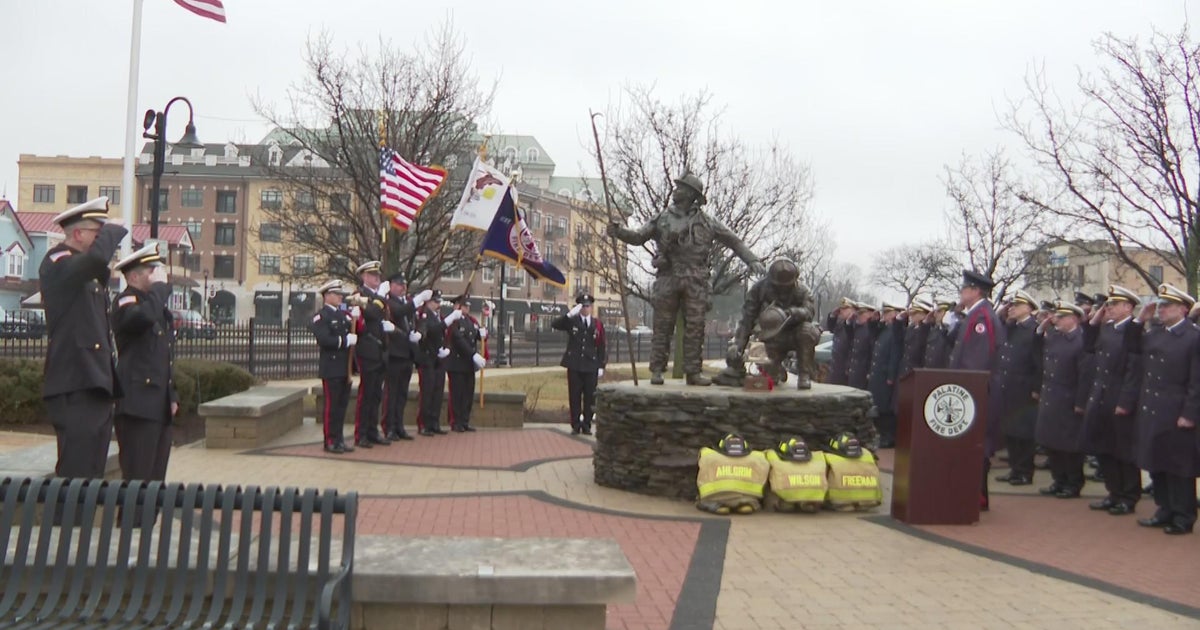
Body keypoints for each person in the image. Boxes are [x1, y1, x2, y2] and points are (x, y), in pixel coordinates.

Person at [607, 172, 765, 386]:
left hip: (696, 279)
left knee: (695, 327)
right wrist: (619, 232)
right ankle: (657, 370)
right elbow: (638, 237)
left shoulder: (708, 222)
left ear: (691, 194)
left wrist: (752, 260)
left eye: (680, 188)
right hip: (668, 277)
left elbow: (734, 242)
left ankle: (693, 371)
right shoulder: (662, 218)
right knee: (662, 325)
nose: (675, 191)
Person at [40, 196, 129, 479]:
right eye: (97, 233)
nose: (101, 239)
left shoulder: (85, 270)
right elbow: (95, 260)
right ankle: (67, 525)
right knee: (74, 474)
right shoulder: (57, 263)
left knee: (92, 474)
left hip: (95, 382)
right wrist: (114, 231)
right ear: (78, 233)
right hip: (74, 382)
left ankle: (83, 524)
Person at [1131, 284, 1200, 535]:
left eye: (1167, 306)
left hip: (1176, 410)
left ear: (1183, 309)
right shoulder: (1156, 333)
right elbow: (1132, 347)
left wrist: (1190, 413)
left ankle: (1183, 516)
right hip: (1153, 409)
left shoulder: (1193, 336)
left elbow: (1197, 380)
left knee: (1179, 467)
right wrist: (1140, 320)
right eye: (1160, 305)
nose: (1161, 310)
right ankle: (1164, 509)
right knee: (1156, 462)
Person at [111, 244, 178, 482]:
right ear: (134, 276)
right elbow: (142, 318)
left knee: (155, 481)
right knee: (137, 480)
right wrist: (159, 289)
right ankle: (130, 521)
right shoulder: (125, 301)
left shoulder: (153, 305)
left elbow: (162, 355)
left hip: (157, 404)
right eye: (151, 270)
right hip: (137, 405)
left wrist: (171, 395)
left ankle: (148, 520)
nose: (157, 275)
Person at [1080, 285, 1143, 515]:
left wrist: (1125, 401)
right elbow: (1088, 346)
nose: (1110, 308)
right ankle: (1113, 492)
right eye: (1109, 304)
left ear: (1129, 307)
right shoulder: (1107, 329)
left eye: (1115, 304)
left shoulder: (1134, 331)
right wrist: (1096, 319)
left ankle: (1128, 496)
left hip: (1119, 397)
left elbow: (1133, 370)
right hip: (1101, 396)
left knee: (1123, 451)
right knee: (1104, 448)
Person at [718, 259, 819, 388]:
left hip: (795, 333)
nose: (782, 290)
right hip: (771, 336)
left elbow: (809, 311)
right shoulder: (759, 290)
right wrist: (738, 346)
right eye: (778, 286)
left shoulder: (803, 291)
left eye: (786, 286)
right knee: (770, 376)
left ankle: (804, 375)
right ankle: (775, 367)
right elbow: (747, 320)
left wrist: (792, 313)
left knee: (807, 331)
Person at [1034, 301, 1091, 499]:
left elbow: (1084, 375)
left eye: (1062, 317)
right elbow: (1036, 346)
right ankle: (1058, 480)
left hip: (1069, 398)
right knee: (1051, 442)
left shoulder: (1080, 341)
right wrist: (1043, 325)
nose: (1057, 320)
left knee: (1070, 446)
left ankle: (1073, 483)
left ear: (1074, 319)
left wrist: (1080, 402)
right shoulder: (1054, 338)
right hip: (1051, 396)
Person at [991, 290, 1041, 487]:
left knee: (1024, 433)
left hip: (1025, 387)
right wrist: (1004, 313)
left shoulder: (1033, 330)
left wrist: (1036, 387)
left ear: (1029, 308)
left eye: (1016, 306)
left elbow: (1039, 362)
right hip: (1008, 386)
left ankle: (1025, 472)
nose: (1012, 309)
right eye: (1011, 305)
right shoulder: (1011, 328)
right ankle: (1015, 469)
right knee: (1010, 431)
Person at [349, 261, 393, 448]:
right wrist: (381, 296)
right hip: (367, 350)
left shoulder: (377, 296)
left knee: (376, 394)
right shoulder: (359, 295)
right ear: (364, 276)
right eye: (373, 275)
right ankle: (361, 434)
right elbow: (373, 313)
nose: (377, 278)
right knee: (366, 394)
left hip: (380, 350)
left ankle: (372, 431)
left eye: (378, 275)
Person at [311, 280, 356, 454]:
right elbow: (324, 339)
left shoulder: (343, 316)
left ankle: (339, 439)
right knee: (331, 407)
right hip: (331, 368)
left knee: (341, 407)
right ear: (327, 296)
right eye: (337, 294)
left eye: (340, 294)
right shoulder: (321, 317)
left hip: (344, 368)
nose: (340, 297)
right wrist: (345, 341)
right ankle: (329, 440)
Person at [552, 293, 606, 435]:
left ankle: (587, 424)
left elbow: (601, 346)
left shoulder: (598, 324)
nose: (586, 309)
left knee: (590, 397)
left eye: (588, 306)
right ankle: (576, 424)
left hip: (591, 366)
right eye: (583, 306)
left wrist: (601, 365)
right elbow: (555, 325)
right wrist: (569, 315)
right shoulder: (572, 321)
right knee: (574, 396)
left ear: (591, 307)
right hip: (575, 364)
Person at [444, 295, 487, 432]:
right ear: (457, 306)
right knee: (457, 394)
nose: (467, 308)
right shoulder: (453, 321)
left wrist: (483, 334)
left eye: (468, 306)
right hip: (456, 363)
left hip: (468, 365)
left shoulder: (471, 321)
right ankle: (455, 421)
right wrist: (473, 354)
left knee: (468, 394)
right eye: (464, 306)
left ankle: (464, 420)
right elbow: (458, 340)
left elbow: (476, 337)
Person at [382, 272, 416, 441]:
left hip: (407, 354)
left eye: (403, 285)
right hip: (394, 354)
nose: (402, 287)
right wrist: (416, 302)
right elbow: (400, 312)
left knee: (402, 393)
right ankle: (389, 427)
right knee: (391, 393)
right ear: (391, 286)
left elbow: (411, 321)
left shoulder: (405, 302)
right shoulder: (389, 302)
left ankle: (399, 425)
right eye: (398, 284)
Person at [414, 289, 450, 436]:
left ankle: (434, 422)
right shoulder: (423, 315)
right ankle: (423, 424)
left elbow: (442, 336)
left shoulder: (437, 316)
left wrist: (444, 348)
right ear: (428, 302)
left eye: (439, 301)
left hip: (438, 359)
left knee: (437, 393)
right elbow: (432, 331)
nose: (438, 304)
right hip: (427, 358)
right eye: (435, 301)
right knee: (427, 393)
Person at [868, 302, 903, 447]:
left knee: (885, 407)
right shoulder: (884, 329)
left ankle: (888, 437)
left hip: (885, 373)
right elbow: (872, 332)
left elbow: (895, 353)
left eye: (889, 313)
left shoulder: (895, 330)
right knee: (878, 405)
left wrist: (890, 375)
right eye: (885, 313)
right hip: (877, 372)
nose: (886, 316)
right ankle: (881, 434)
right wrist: (875, 320)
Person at [897, 296, 934, 378]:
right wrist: (899, 320)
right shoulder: (911, 329)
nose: (911, 316)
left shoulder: (928, 330)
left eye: (914, 313)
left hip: (916, 372)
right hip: (904, 370)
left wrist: (924, 324)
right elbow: (898, 338)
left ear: (923, 315)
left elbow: (920, 344)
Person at [845, 302, 878, 390]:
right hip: (854, 370)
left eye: (862, 314)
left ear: (870, 314)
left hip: (863, 371)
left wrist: (869, 371)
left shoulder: (870, 330)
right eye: (858, 314)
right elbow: (852, 347)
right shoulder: (857, 328)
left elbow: (872, 352)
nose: (859, 317)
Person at [825, 298, 857, 385]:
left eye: (845, 309)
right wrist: (833, 315)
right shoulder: (841, 323)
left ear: (853, 310)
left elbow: (853, 347)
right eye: (841, 309)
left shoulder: (853, 325)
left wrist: (848, 367)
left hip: (844, 367)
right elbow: (831, 327)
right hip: (835, 366)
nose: (842, 311)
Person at [922, 299, 956, 369]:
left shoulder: (952, 330)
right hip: (930, 370)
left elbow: (950, 340)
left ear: (947, 314)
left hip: (943, 371)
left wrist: (947, 324)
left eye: (939, 312)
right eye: (935, 312)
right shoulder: (934, 329)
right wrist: (926, 321)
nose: (935, 315)